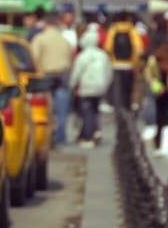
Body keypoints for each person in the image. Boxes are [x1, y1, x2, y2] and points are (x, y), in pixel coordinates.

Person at [31, 12, 73, 144]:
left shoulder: (40, 39)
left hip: (46, 76)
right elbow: (70, 59)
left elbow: (34, 58)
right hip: (63, 75)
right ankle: (61, 136)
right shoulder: (65, 40)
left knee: (45, 108)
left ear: (45, 24)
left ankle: (47, 136)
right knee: (62, 108)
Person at [69, 30, 113, 148]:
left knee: (87, 112)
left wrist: (72, 85)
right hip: (100, 87)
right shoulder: (103, 55)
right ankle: (95, 130)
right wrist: (106, 85)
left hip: (87, 87)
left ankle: (88, 137)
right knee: (95, 110)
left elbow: (76, 73)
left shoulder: (82, 56)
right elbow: (109, 72)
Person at [104, 11, 143, 112]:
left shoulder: (113, 29)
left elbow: (108, 47)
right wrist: (135, 62)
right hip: (129, 65)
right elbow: (138, 48)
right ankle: (127, 106)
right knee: (128, 88)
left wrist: (112, 59)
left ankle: (118, 107)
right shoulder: (132, 29)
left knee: (118, 88)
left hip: (116, 64)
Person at [144, 43, 168, 154]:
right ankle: (158, 145)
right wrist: (157, 86)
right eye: (162, 64)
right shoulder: (153, 63)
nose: (165, 66)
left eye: (167, 63)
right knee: (160, 119)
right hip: (160, 93)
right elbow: (149, 77)